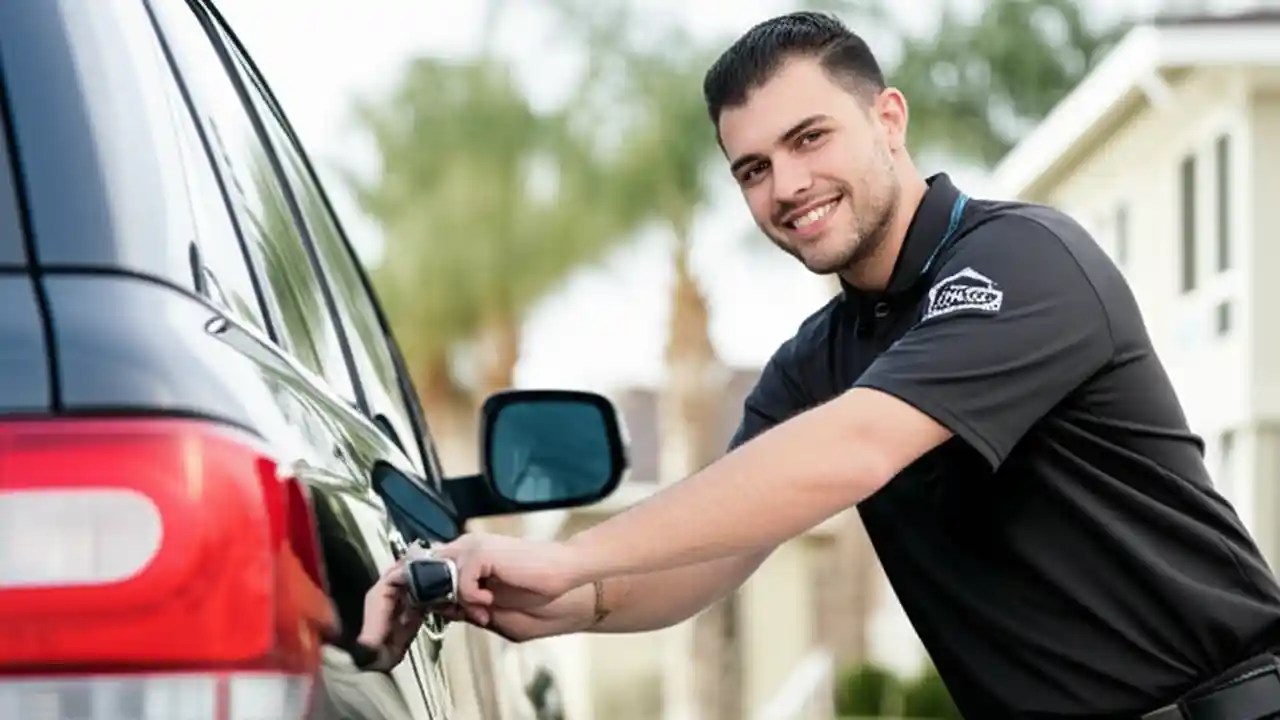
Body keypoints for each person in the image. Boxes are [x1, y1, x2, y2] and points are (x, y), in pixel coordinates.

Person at [435, 11, 1280, 718]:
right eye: (754, 169)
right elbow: (709, 553)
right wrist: (567, 603)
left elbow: (856, 446)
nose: (788, 186)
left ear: (888, 120)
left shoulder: (1023, 261)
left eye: (810, 138)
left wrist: (573, 554)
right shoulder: (815, 362)